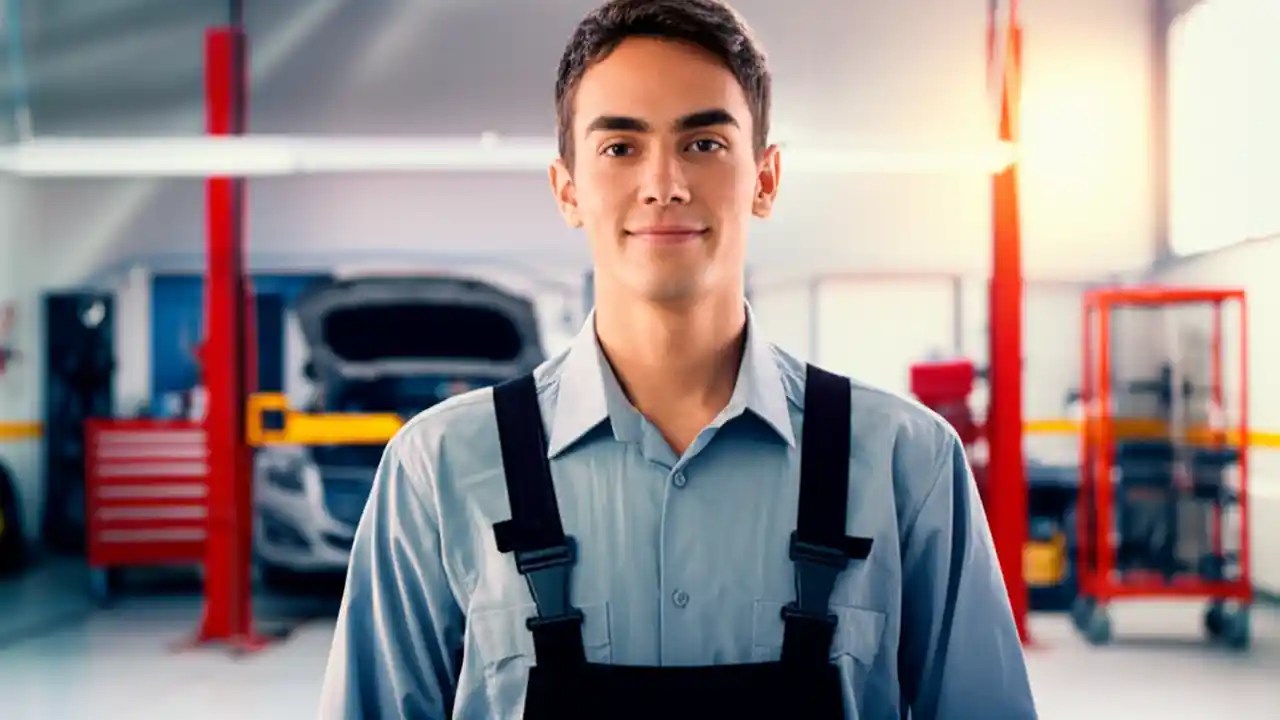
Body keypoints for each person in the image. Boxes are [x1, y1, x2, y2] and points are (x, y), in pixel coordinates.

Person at [319, 1, 1038, 718]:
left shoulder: (905, 467)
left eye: (704, 143)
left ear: (766, 178)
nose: (664, 184)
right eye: (619, 148)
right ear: (567, 189)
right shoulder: (439, 470)